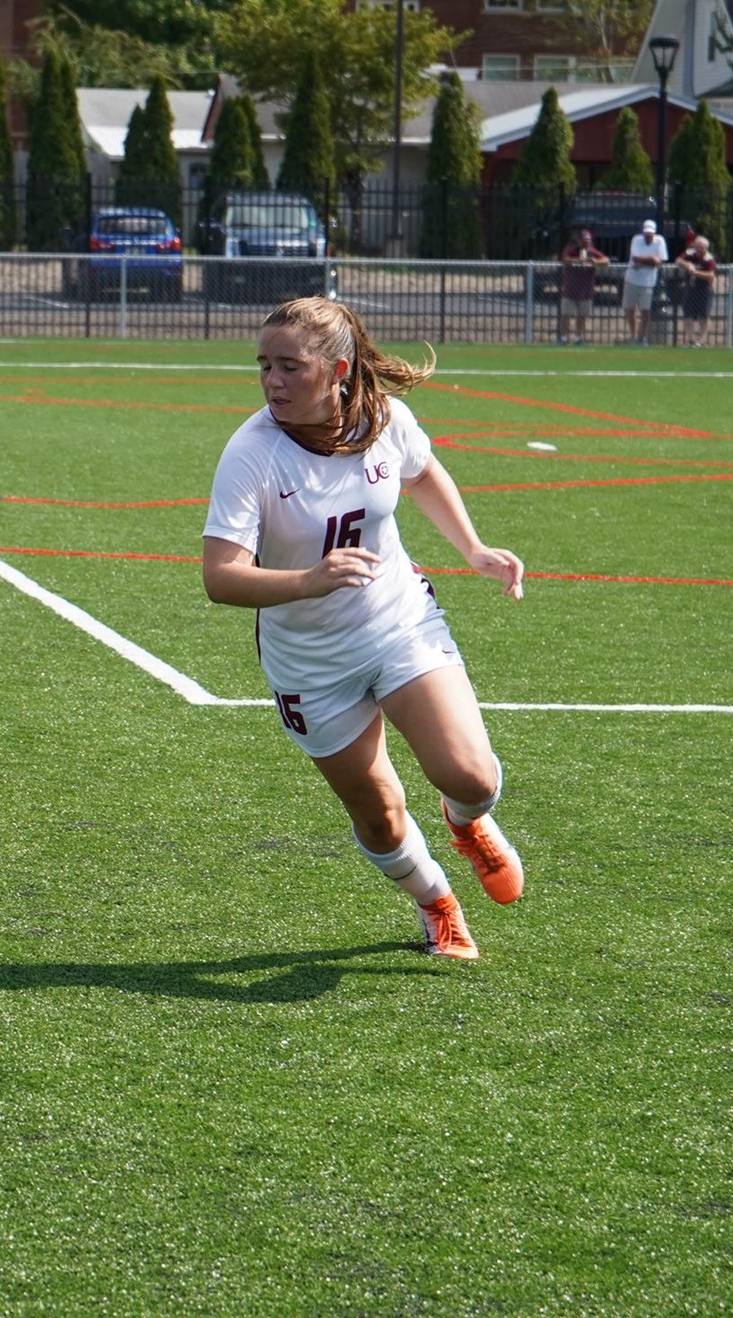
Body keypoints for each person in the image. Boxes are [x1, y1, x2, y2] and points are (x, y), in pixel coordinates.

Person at [202, 297, 526, 960]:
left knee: (473, 778)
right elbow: (220, 577)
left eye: (290, 366)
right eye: (263, 365)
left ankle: (466, 824)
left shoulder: (385, 419)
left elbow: (422, 471)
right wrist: (308, 580)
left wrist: (473, 549)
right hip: (310, 662)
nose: (271, 381)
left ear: (338, 370)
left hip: (397, 621)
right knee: (379, 816)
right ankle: (435, 899)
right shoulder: (251, 453)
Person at [557, 227, 609, 345]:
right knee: (566, 314)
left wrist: (595, 262)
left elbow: (606, 260)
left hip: (586, 290)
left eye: (588, 241)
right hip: (570, 289)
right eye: (584, 241)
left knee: (582, 316)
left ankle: (579, 338)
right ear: (579, 240)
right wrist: (579, 260)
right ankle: (563, 338)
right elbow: (565, 259)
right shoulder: (571, 250)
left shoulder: (592, 252)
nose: (586, 243)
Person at [623, 218, 669, 345]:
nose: (647, 236)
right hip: (631, 280)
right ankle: (633, 337)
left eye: (650, 234)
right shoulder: (636, 239)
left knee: (645, 311)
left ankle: (642, 338)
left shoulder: (660, 241)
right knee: (629, 309)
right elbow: (635, 258)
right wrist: (652, 260)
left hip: (648, 282)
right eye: (646, 234)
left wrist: (648, 261)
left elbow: (660, 261)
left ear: (654, 233)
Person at [675, 234, 718, 348]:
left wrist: (696, 273)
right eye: (698, 246)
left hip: (704, 290)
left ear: (706, 248)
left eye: (702, 247)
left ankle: (701, 340)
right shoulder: (689, 253)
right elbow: (678, 261)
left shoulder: (709, 259)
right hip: (690, 288)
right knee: (687, 315)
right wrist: (687, 264)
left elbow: (710, 275)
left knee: (704, 316)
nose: (699, 249)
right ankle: (691, 340)